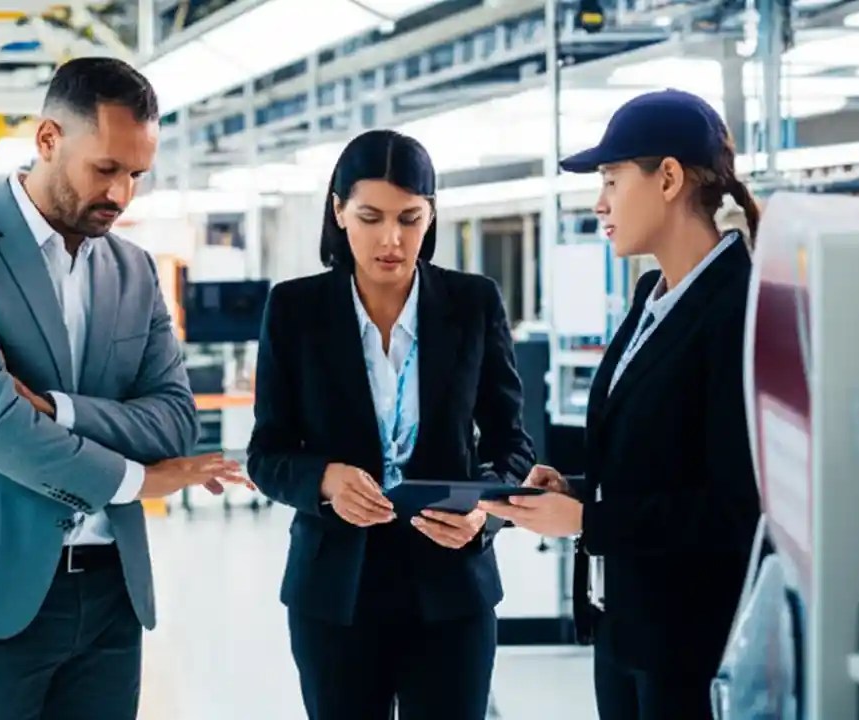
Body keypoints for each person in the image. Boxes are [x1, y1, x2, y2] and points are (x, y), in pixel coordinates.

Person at [0, 57, 246, 720]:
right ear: (48, 139)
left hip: (110, 594)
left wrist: (56, 409)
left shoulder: (133, 271)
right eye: (106, 169)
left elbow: (174, 421)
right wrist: (138, 480)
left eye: (136, 174)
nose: (122, 194)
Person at [480, 89, 762, 720]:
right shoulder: (650, 300)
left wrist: (586, 524)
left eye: (610, 179)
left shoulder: (736, 311)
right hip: (624, 629)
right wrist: (578, 490)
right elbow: (659, 466)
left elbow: (734, 510)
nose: (599, 202)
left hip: (692, 647)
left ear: (667, 178)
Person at [247, 129, 536, 720]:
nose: (391, 240)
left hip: (452, 588)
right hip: (334, 593)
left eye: (410, 218)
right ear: (338, 211)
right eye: (370, 217)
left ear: (431, 215)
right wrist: (325, 479)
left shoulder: (472, 303)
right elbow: (267, 453)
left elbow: (512, 446)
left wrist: (483, 511)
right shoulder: (296, 311)